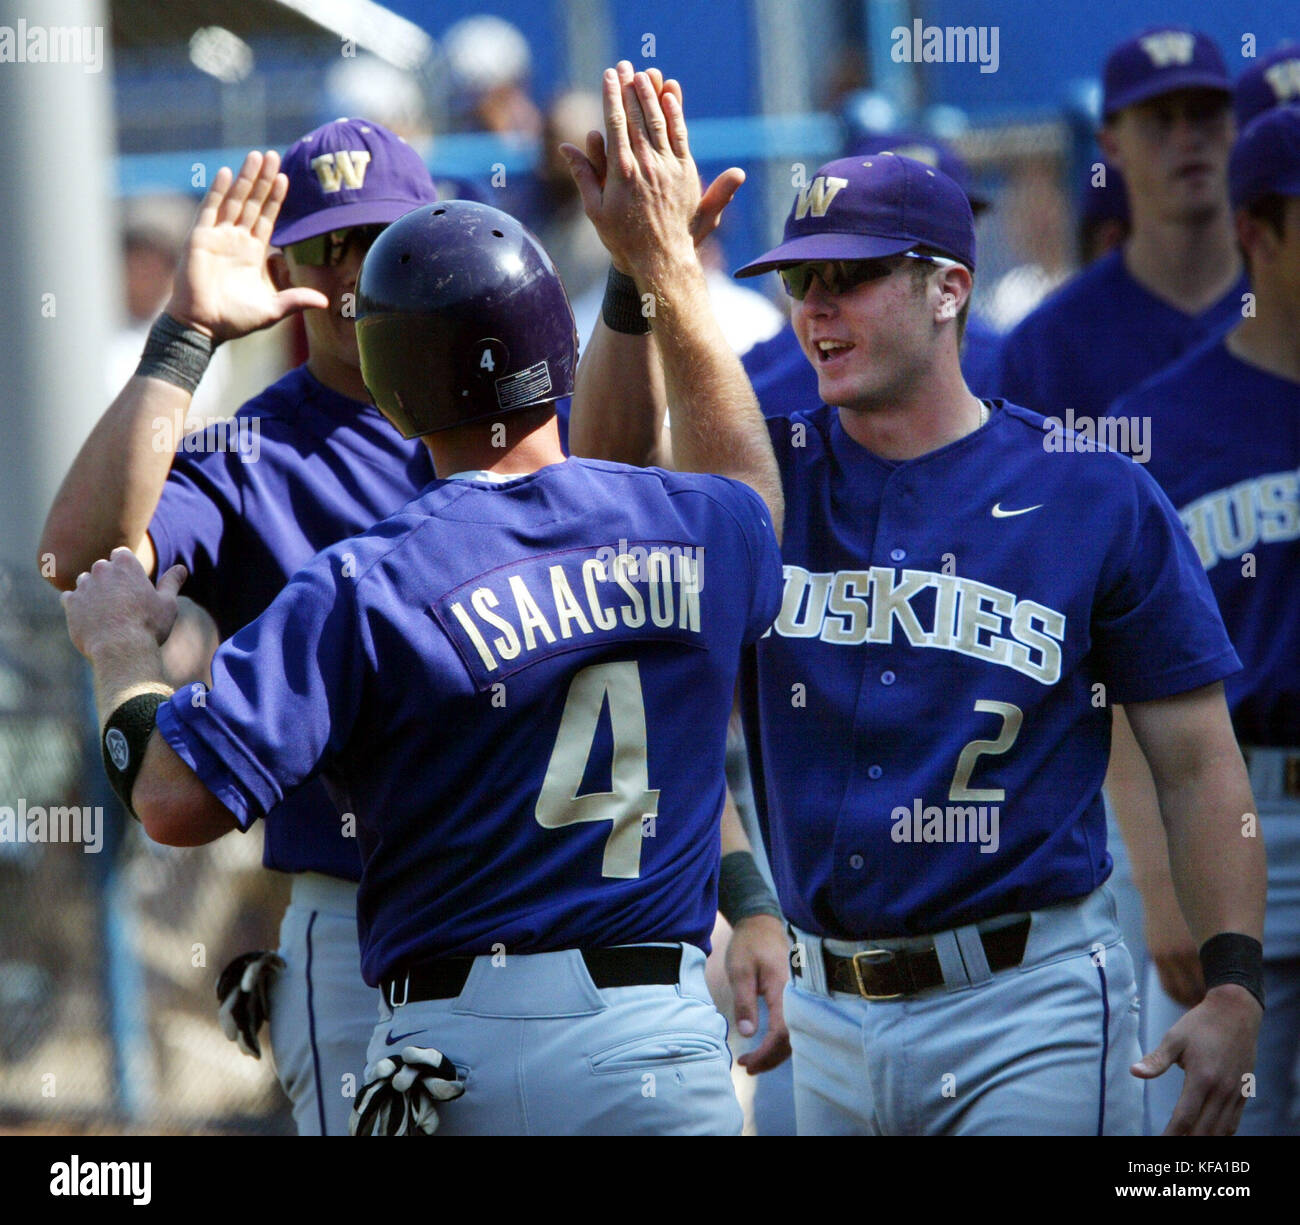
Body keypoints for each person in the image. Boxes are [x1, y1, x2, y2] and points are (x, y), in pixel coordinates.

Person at [567, 66, 1267, 1135]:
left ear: (948, 288)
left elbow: (1196, 758)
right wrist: (636, 273)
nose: (817, 307)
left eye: (850, 277)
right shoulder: (774, 465)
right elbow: (605, 463)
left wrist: (1229, 981)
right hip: (825, 1008)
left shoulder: (1089, 490)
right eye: (801, 283)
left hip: (1024, 1001)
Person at [60, 181, 784, 1134]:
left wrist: (120, 653)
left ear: (396, 398)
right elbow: (745, 483)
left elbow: (169, 796)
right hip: (649, 1031)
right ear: (556, 352)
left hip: (456, 1043)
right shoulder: (694, 522)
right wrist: (667, 268)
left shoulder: (367, 579)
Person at [40, 117, 440, 1134]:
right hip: (354, 916)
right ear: (285, 262)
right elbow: (78, 556)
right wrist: (187, 336)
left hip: (544, 907)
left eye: (379, 239)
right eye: (326, 244)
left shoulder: (513, 410)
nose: (351, 273)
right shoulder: (254, 449)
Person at [1105, 106, 1300, 1134]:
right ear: (1259, 232)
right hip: (1235, 811)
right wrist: (1158, 871)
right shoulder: (1161, 426)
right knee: (1214, 1143)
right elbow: (1109, 667)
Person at [997, 26, 1247, 426]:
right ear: (1111, 145)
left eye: (1204, 113)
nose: (1187, 138)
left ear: (1236, 127)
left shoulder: (1282, 303)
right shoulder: (1052, 344)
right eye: (1159, 120)